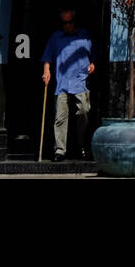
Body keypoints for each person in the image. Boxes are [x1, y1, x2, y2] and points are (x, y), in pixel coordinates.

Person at [41, 8, 96, 161]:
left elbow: (93, 55)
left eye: (70, 22)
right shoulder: (55, 38)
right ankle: (60, 150)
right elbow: (48, 57)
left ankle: (81, 145)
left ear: (75, 22)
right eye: (64, 23)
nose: (67, 26)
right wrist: (47, 71)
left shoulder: (85, 35)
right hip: (62, 81)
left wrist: (93, 64)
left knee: (84, 112)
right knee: (60, 117)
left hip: (81, 80)